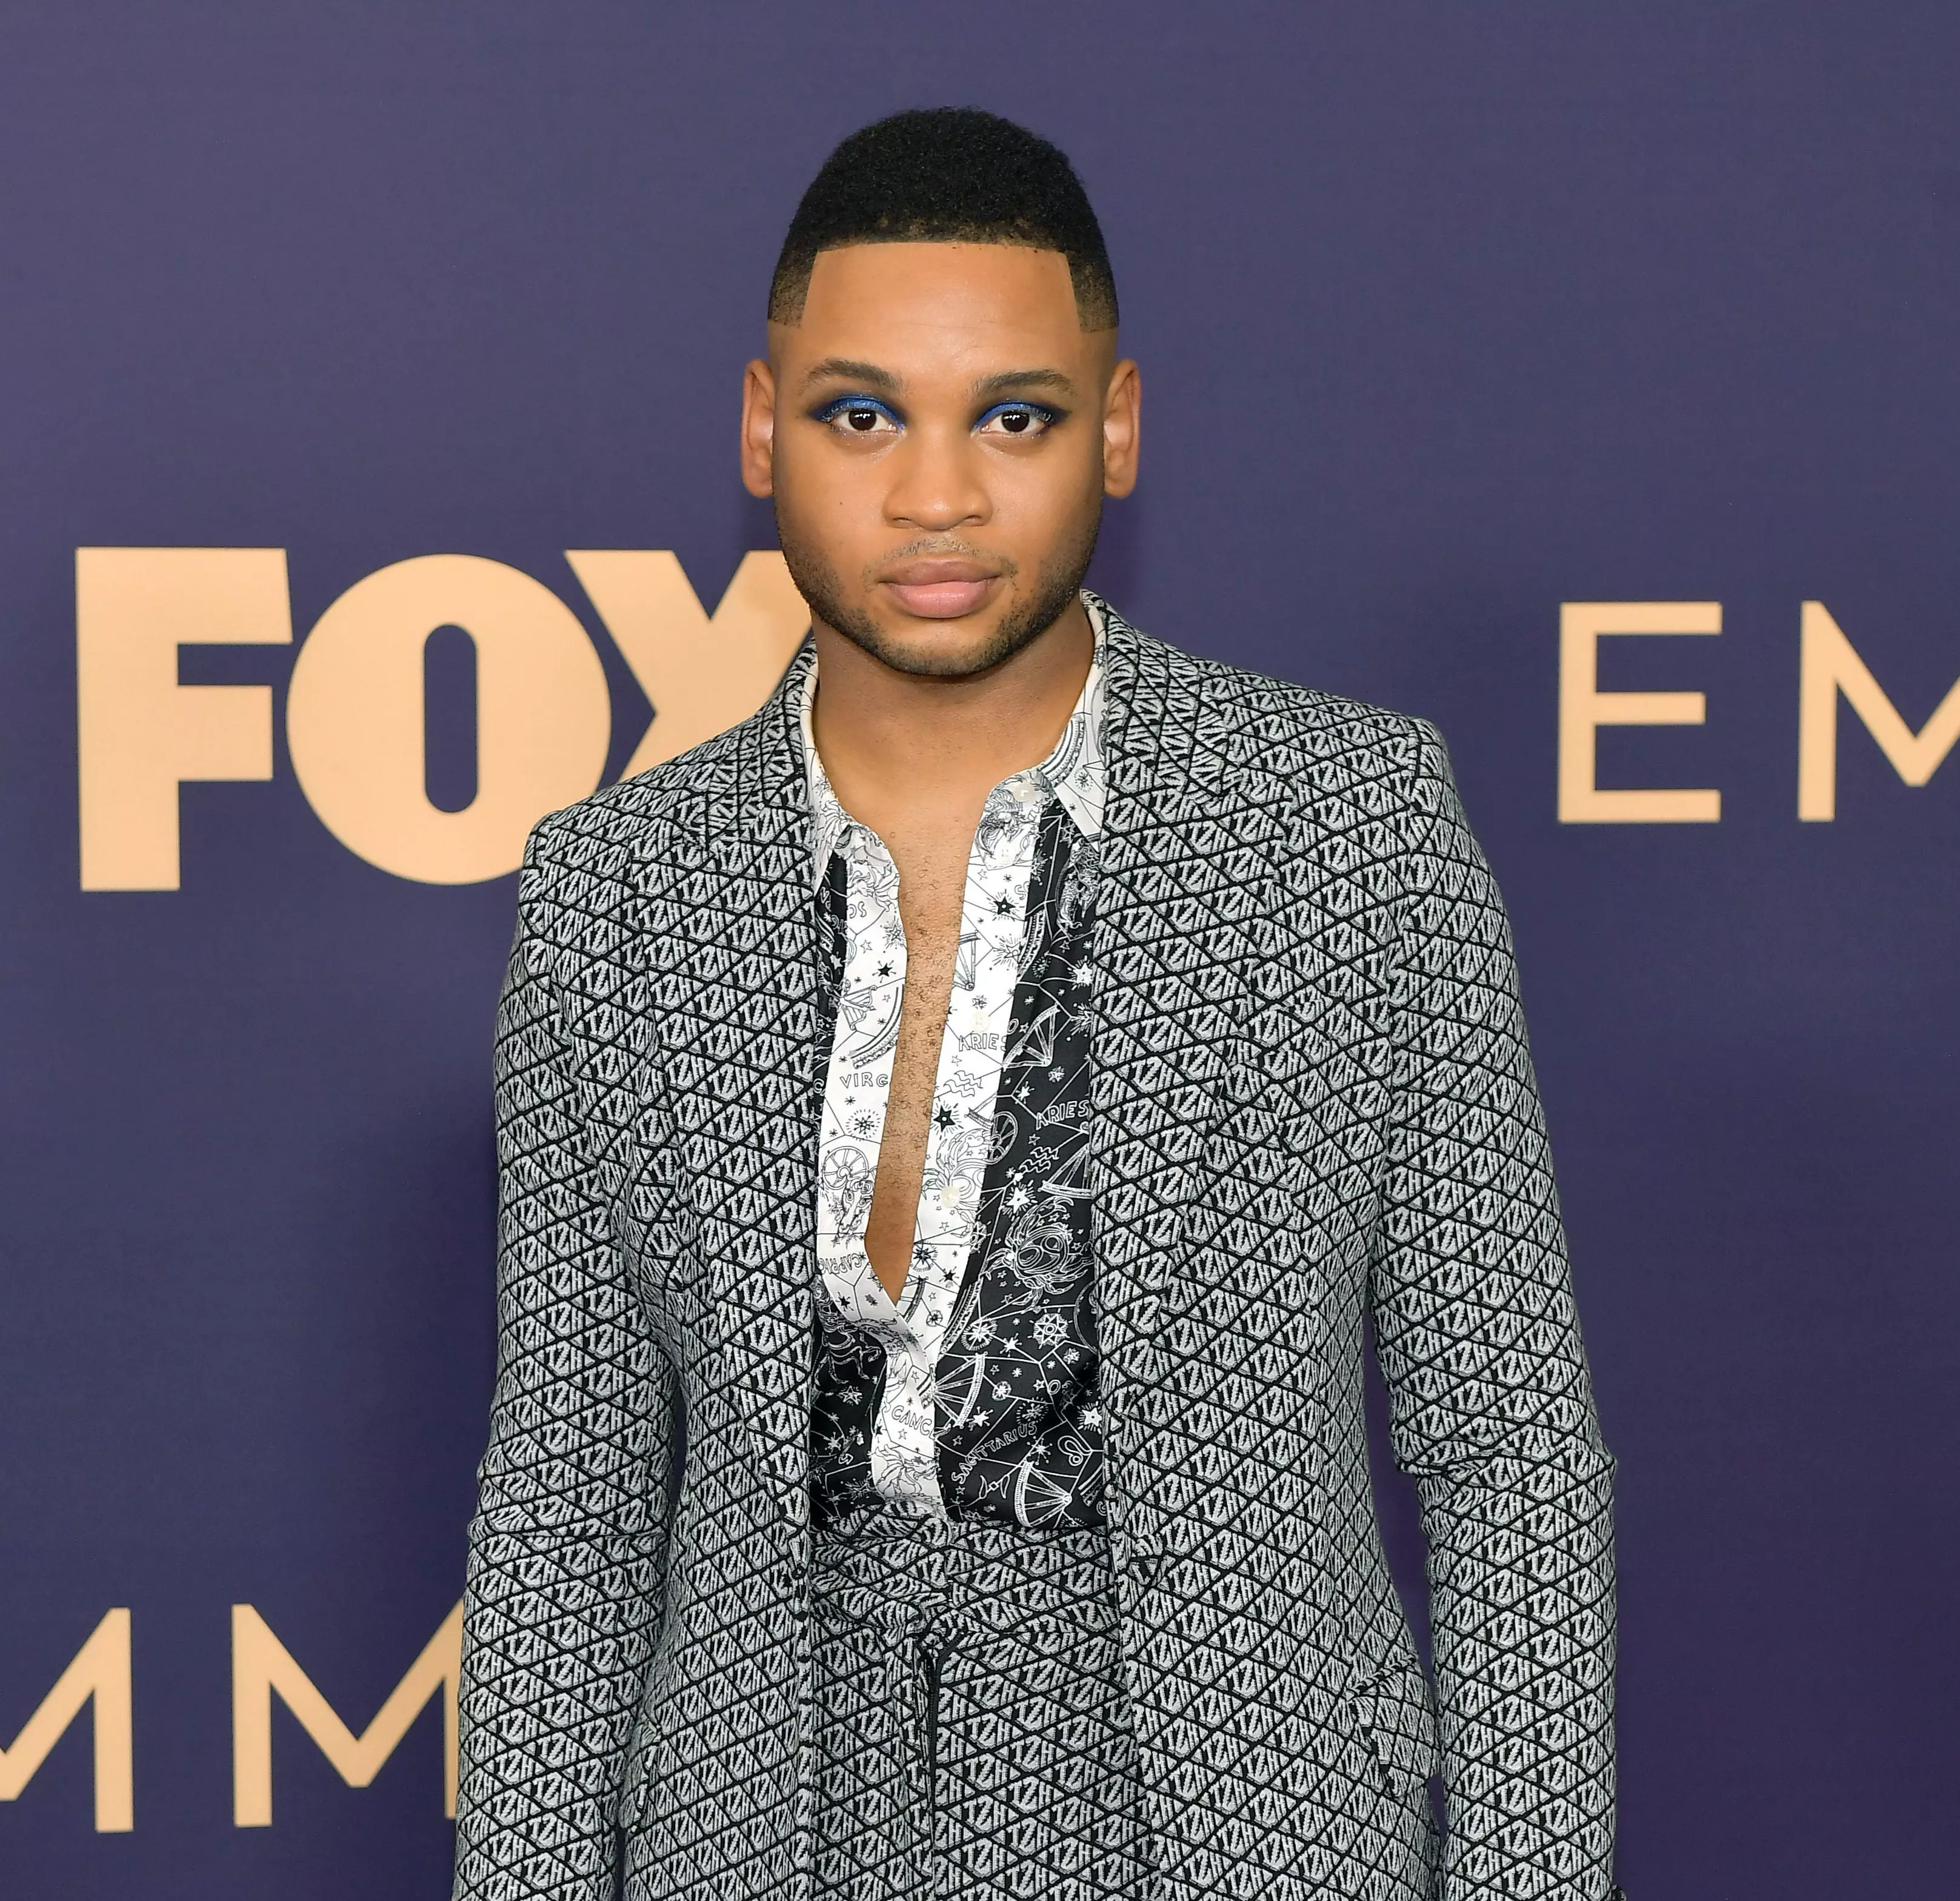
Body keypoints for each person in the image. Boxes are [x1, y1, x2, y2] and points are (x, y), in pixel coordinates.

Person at [452, 108, 1620, 1901]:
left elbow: (1506, 1443)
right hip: (759, 1820)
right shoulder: (614, 891)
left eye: (1015, 414)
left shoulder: (1350, 826)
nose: (937, 496)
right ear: (762, 429)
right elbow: (571, 1501)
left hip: (1247, 1817)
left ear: (1119, 427)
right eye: (862, 414)